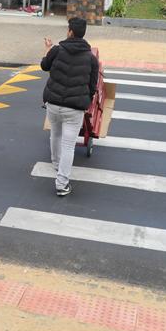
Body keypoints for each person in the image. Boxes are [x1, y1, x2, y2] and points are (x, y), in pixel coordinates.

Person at [41, 17, 99, 197]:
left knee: (55, 134)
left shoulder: (57, 50)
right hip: (74, 108)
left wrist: (48, 49)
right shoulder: (91, 58)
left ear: (70, 32)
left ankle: (56, 164)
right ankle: (62, 183)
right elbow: (92, 85)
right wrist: (85, 101)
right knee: (68, 145)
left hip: (53, 103)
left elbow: (44, 66)